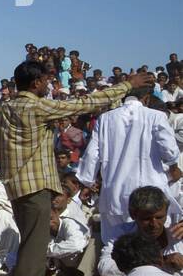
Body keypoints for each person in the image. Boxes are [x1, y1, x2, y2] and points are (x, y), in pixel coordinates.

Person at [0, 61, 152, 276]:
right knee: (34, 252)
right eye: (46, 80)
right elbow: (82, 105)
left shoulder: (5, 108)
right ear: (35, 83)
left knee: (29, 248)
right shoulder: (34, 106)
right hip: (34, 188)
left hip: (18, 186)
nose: (49, 85)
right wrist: (127, 85)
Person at [76, 80, 181, 243]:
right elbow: (169, 150)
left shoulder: (105, 119)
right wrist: (174, 165)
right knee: (153, 243)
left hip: (114, 194)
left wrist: (87, 182)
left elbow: (91, 155)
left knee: (117, 246)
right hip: (150, 195)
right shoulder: (156, 116)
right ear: (146, 98)